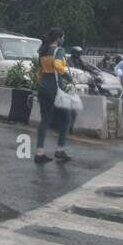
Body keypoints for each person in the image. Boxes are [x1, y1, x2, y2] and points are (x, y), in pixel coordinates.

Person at [34, 27, 73, 164]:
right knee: (66, 118)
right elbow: (58, 65)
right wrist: (70, 78)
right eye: (62, 37)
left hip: (42, 87)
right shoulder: (59, 50)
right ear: (58, 38)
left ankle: (39, 152)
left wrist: (39, 86)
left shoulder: (43, 51)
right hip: (55, 88)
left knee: (45, 119)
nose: (63, 39)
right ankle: (60, 150)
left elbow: (38, 72)